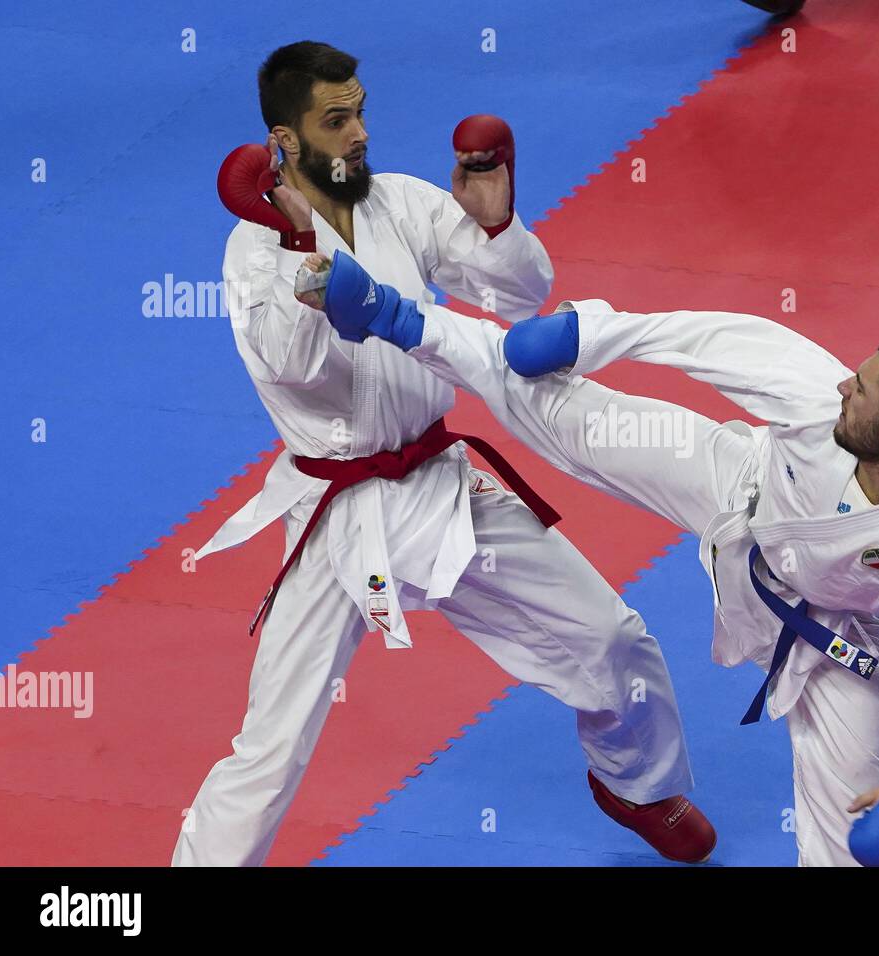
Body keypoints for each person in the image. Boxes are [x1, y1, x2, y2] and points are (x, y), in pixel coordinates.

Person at [295, 248, 879, 866]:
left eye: (863, 390)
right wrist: (587, 336)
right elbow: (708, 339)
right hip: (737, 486)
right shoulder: (821, 400)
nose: (843, 384)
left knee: (854, 832)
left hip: (834, 630)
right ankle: (394, 316)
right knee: (565, 410)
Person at [173, 41, 715, 867]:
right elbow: (295, 368)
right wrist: (292, 243)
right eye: (334, 120)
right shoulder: (252, 250)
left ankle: (634, 782)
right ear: (283, 140)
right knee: (272, 747)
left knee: (614, 637)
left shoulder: (400, 203)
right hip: (337, 517)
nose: (358, 134)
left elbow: (515, 295)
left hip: (439, 485)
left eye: (359, 112)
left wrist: (495, 218)